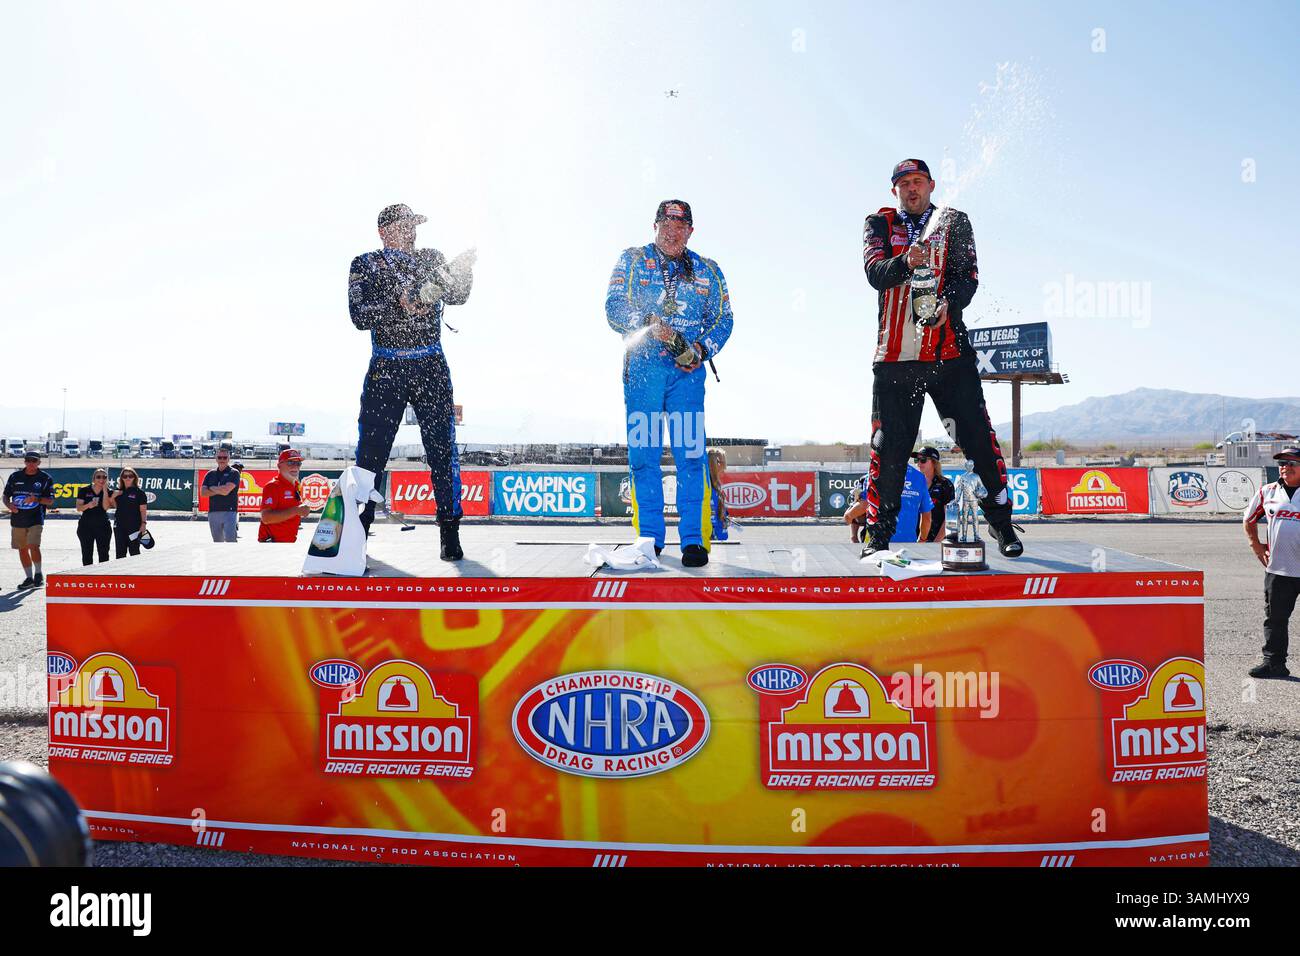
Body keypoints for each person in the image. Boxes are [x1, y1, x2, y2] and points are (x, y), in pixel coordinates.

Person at [861, 158, 1021, 559]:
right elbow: (875, 272)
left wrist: (949, 302)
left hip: (950, 356)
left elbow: (968, 277)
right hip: (896, 360)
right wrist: (906, 262)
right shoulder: (878, 223)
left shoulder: (955, 220)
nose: (911, 189)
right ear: (893, 190)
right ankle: (878, 536)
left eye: (918, 181)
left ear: (932, 185)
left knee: (979, 442)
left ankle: (1002, 526)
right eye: (903, 184)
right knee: (890, 448)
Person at [605, 200, 734, 567]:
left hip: (687, 375)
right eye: (666, 223)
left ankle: (694, 540)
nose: (672, 230)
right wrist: (647, 321)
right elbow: (613, 308)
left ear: (691, 230)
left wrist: (700, 349)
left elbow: (724, 319)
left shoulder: (708, 270)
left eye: (680, 225)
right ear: (655, 225)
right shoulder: (632, 260)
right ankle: (649, 538)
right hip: (644, 371)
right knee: (644, 456)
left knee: (691, 457)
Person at [349, 203, 476, 561]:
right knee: (370, 454)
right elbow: (359, 315)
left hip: (430, 362)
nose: (412, 230)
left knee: (443, 450)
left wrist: (465, 269)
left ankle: (449, 532)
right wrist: (400, 303)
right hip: (386, 366)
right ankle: (357, 536)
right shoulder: (365, 264)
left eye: (415, 224)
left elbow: (458, 295)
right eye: (405, 224)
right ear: (384, 230)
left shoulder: (432, 257)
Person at [1242, 447, 1300, 679]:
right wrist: (1256, 546)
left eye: (1291, 462)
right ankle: (1274, 664)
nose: (1285, 467)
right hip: (1280, 569)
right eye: (1281, 463)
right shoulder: (1268, 492)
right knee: (1275, 619)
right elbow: (1249, 519)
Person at [844, 461, 932, 545]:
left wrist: (848, 515)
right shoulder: (919, 476)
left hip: (879, 542)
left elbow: (864, 505)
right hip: (908, 542)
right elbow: (927, 516)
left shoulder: (875, 474)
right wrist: (922, 540)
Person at [4, 452, 54, 590]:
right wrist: (9, 505)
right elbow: (5, 496)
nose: (31, 463)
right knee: (22, 549)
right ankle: (29, 578)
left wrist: (36, 499)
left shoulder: (45, 478)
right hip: (17, 519)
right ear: (24, 462)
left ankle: (38, 573)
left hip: (35, 518)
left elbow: (50, 501)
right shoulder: (15, 476)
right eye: (28, 460)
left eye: (34, 461)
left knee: (33, 545)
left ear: (39, 462)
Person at [258, 448, 310, 543]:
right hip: (272, 545)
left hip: (288, 543)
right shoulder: (272, 486)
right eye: (290, 463)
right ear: (279, 466)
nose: (295, 467)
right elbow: (266, 518)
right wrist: (296, 510)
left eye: (298, 463)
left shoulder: (296, 485)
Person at [912, 447, 956, 542]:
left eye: (923, 460)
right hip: (914, 542)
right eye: (917, 460)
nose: (919, 463)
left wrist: (936, 542)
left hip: (938, 542)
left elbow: (950, 518)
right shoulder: (912, 484)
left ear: (934, 462)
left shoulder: (945, 485)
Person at [200, 450, 240, 542]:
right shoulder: (210, 474)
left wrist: (212, 488)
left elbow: (226, 491)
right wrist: (219, 489)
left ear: (229, 459)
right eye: (219, 457)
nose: (222, 460)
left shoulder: (234, 473)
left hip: (229, 512)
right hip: (213, 512)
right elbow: (203, 493)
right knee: (217, 542)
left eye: (225, 457)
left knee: (231, 540)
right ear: (216, 459)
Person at [75, 469, 113, 565]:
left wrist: (104, 491)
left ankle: (103, 578)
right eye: (99, 477)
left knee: (104, 555)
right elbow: (79, 508)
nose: (102, 479)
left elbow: (105, 507)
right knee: (87, 554)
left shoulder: (108, 492)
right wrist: (88, 505)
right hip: (86, 526)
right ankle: (88, 578)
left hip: (103, 526)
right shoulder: (84, 490)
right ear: (94, 479)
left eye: (104, 477)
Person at [111, 467, 148, 559]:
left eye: (130, 476)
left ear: (134, 478)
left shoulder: (140, 493)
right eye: (125, 476)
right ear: (121, 478)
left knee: (134, 552)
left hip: (134, 527)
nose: (127, 478)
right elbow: (114, 506)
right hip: (119, 526)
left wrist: (143, 524)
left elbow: (143, 510)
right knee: (120, 553)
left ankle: (134, 573)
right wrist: (112, 497)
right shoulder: (118, 492)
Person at [707, 448, 731, 542]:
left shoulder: (715, 488)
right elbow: (711, 520)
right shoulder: (708, 491)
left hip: (718, 540)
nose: (725, 468)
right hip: (713, 543)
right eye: (723, 463)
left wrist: (725, 517)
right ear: (715, 464)